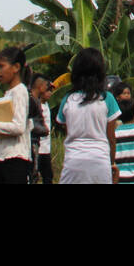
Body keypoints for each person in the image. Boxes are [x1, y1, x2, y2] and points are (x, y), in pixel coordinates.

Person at [55, 47, 121, 184]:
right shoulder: (106, 98)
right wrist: (111, 163)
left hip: (73, 162)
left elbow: (69, 134)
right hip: (100, 161)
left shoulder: (68, 100)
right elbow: (111, 139)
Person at [0, 46, 32, 184]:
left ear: (16, 67)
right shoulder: (9, 93)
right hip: (1, 156)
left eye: (1, 67)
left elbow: (19, 127)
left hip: (14, 159)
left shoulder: (19, 92)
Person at [30, 73, 54, 184]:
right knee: (33, 176)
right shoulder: (35, 104)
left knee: (48, 177)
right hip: (37, 148)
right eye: (48, 90)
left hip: (46, 149)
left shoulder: (47, 105)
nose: (50, 93)